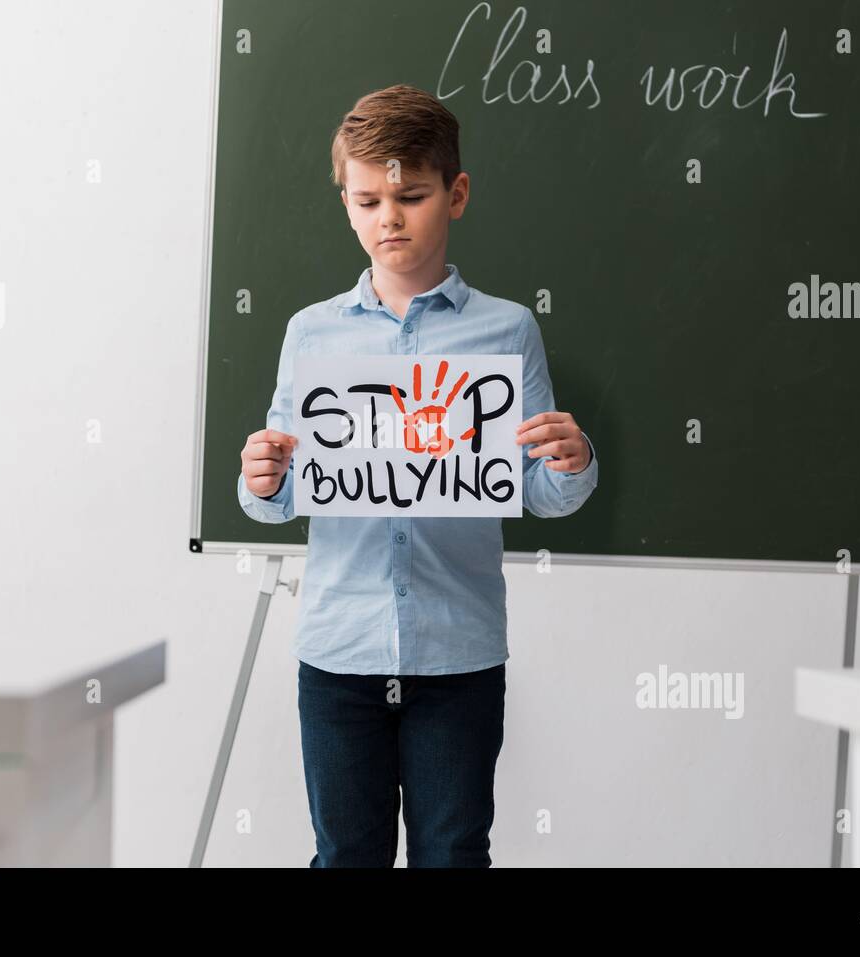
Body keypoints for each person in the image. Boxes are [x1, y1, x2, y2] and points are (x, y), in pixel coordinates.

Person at [236, 84, 598, 867]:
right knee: (345, 855)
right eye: (366, 200)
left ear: (456, 194)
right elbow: (285, 492)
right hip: (340, 653)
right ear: (346, 204)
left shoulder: (506, 330)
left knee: (453, 852)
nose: (388, 218)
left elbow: (534, 488)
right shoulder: (311, 334)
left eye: (411, 195)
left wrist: (572, 465)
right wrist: (262, 478)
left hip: (456, 654)